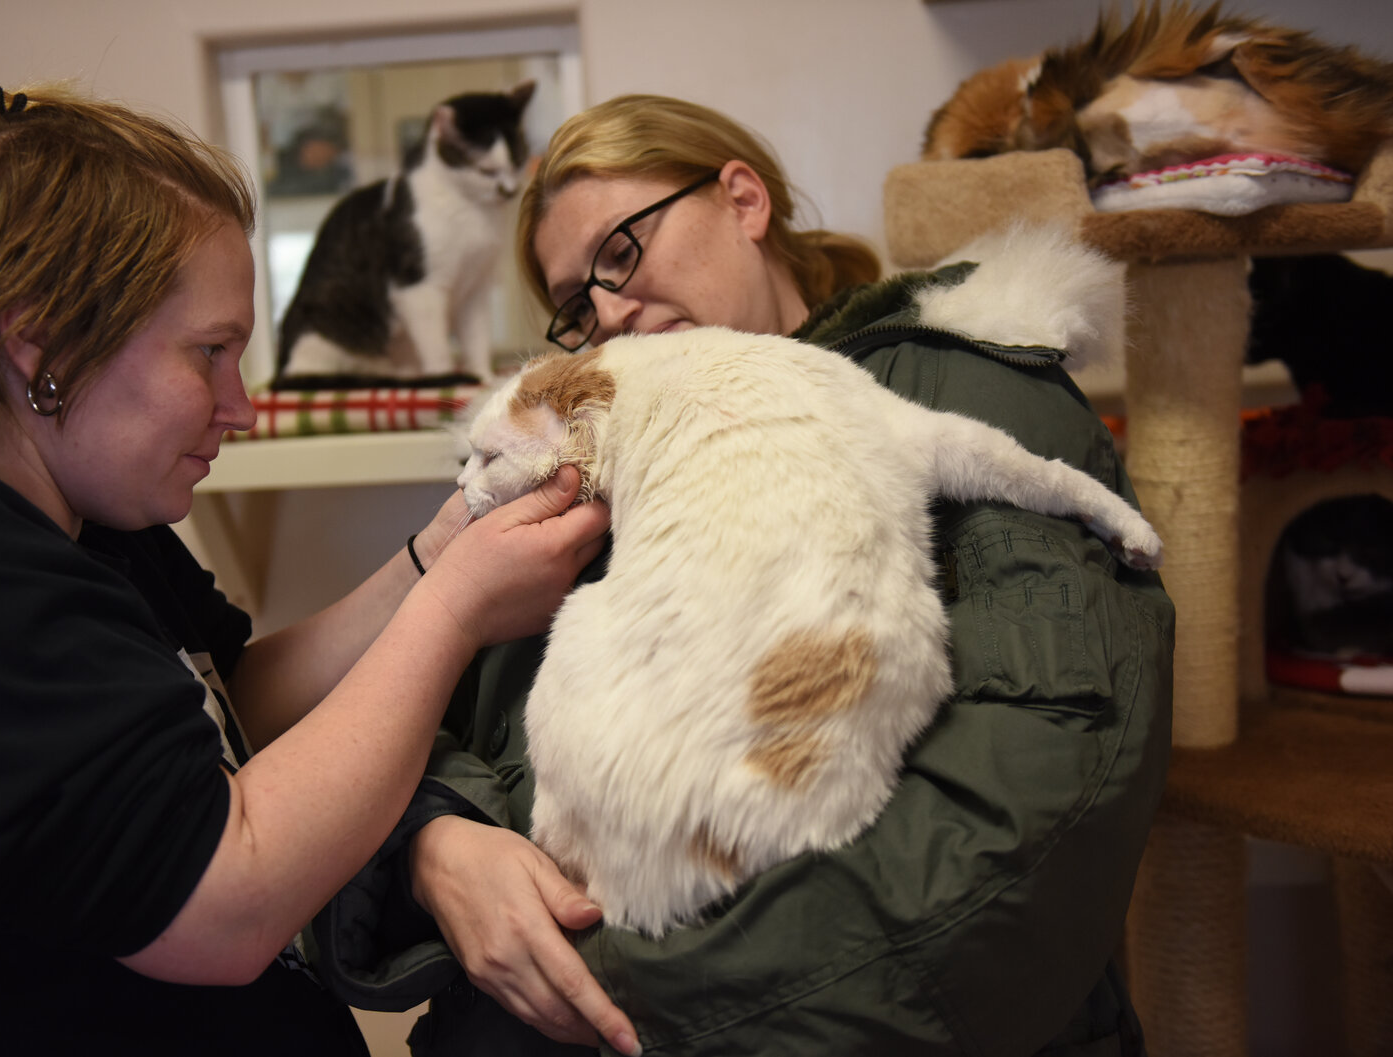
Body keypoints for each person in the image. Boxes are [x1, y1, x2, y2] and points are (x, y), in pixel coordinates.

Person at [319, 95, 1175, 1056]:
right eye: (574, 306)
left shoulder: (962, 391)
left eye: (620, 252)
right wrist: (440, 844)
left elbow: (1012, 834)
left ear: (742, 198)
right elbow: (425, 728)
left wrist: (584, 988)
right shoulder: (599, 461)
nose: (607, 313)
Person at [0, 75, 609, 1054]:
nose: (242, 406)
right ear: (41, 346)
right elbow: (224, 902)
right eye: (209, 353)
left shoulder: (95, 512)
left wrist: (427, 558)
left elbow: (226, 697)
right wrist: (452, 612)